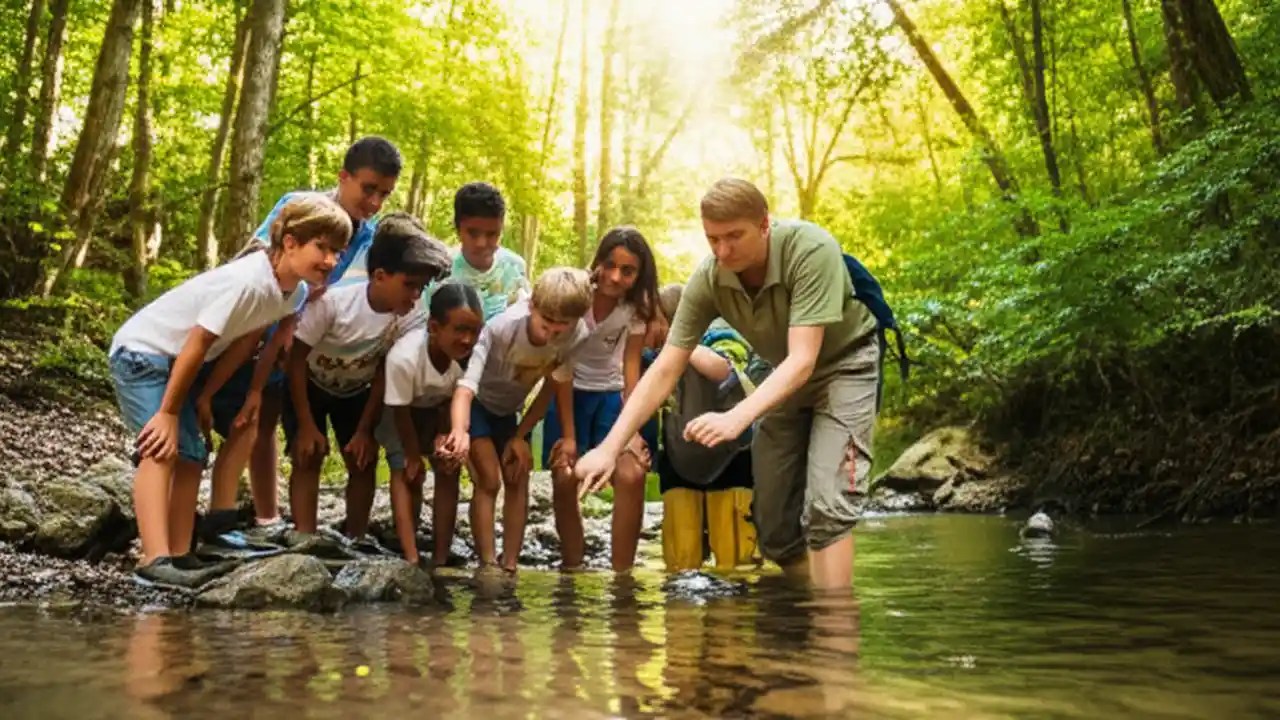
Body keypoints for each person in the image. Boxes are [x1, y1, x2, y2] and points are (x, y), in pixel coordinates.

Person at [576, 178, 880, 591]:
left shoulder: (810, 250)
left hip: (844, 366)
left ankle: (833, 637)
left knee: (827, 509)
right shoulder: (710, 277)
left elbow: (804, 359)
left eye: (734, 236)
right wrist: (609, 449)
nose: (722, 251)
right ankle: (807, 612)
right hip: (783, 376)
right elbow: (666, 367)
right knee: (772, 528)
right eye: (712, 239)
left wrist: (736, 417)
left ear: (764, 224)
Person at [109, 193, 351, 588]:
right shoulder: (247, 281)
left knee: (192, 452)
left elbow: (247, 342)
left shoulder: (296, 291)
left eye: (337, 252)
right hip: (142, 353)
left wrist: (206, 397)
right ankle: (153, 559)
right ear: (290, 242)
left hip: (177, 363)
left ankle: (180, 553)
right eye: (321, 248)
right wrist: (168, 412)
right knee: (161, 446)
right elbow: (198, 342)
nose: (330, 260)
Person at [198, 136, 404, 548]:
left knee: (266, 417)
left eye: (385, 193)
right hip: (251, 324)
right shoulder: (302, 207)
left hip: (292, 335)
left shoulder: (367, 236)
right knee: (229, 412)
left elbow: (338, 291)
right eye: (368, 189)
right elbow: (258, 257)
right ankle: (208, 513)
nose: (376, 201)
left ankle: (265, 516)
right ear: (344, 177)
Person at [283, 212, 450, 556]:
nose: (416, 296)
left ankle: (355, 537)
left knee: (363, 460)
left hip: (357, 391)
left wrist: (364, 429)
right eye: (409, 286)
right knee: (308, 455)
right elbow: (295, 359)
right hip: (309, 385)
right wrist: (305, 424)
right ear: (379, 276)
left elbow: (384, 372)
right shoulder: (334, 304)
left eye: (421, 288)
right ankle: (304, 535)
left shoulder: (409, 317)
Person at [445, 268, 593, 574]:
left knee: (518, 474)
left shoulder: (578, 335)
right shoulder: (502, 328)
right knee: (488, 477)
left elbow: (554, 385)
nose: (551, 334)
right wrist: (459, 430)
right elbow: (466, 385)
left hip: (510, 409)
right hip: (478, 403)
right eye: (546, 323)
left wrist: (522, 435)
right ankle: (487, 562)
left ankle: (510, 564)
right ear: (532, 308)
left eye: (561, 327)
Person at [543, 227, 659, 571]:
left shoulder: (635, 309)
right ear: (597, 262)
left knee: (632, 474)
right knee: (564, 474)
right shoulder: (576, 296)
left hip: (612, 397)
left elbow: (631, 367)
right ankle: (572, 568)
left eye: (627, 271)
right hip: (568, 393)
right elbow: (560, 366)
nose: (615, 276)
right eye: (609, 265)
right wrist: (569, 434)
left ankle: (622, 573)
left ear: (639, 275)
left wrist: (633, 428)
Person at [651, 284, 762, 572]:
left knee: (735, 563)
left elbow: (724, 369)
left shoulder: (722, 334)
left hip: (731, 458)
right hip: (678, 459)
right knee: (680, 564)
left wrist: (678, 345)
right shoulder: (647, 350)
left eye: (654, 319)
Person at [374, 282, 484, 568]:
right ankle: (410, 555)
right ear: (434, 328)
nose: (467, 339)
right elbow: (399, 411)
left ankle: (439, 556)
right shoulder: (405, 357)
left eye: (474, 331)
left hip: (437, 411)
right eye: (459, 330)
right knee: (407, 472)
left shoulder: (470, 356)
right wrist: (412, 455)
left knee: (448, 466)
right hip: (400, 410)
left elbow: (456, 398)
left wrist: (444, 434)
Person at [445, 182, 530, 320]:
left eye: (491, 234)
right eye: (473, 233)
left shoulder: (515, 268)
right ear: (458, 228)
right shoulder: (442, 269)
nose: (481, 243)